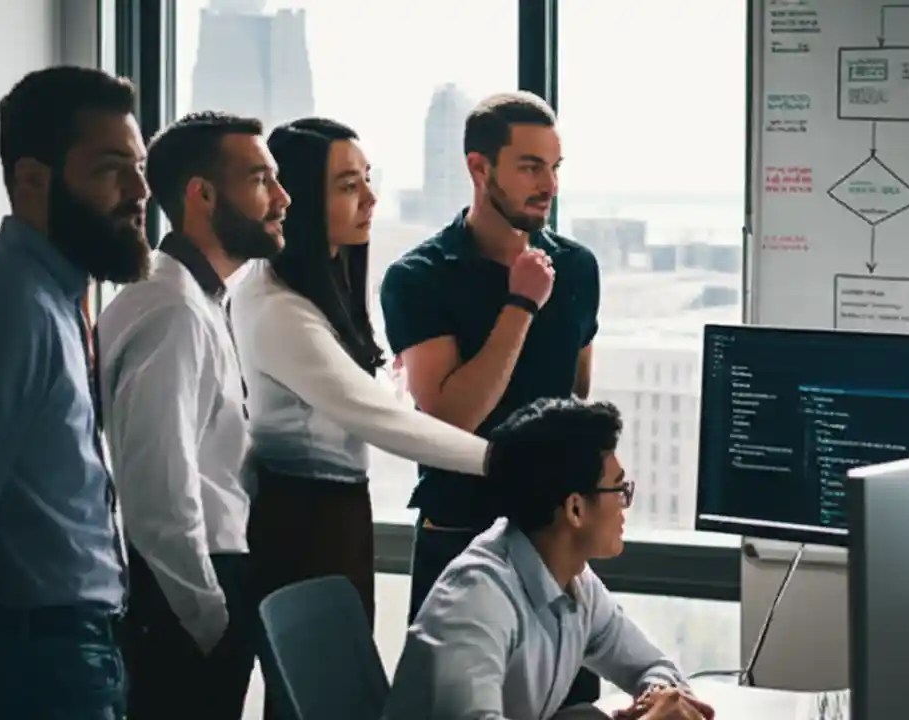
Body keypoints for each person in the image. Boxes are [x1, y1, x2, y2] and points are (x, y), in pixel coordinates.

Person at [0, 66, 149, 719]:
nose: (139, 191)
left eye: (138, 167)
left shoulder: (55, 296)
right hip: (28, 666)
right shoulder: (10, 308)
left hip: (58, 653)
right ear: (33, 180)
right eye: (111, 169)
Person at [379, 90, 603, 703]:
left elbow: (576, 392)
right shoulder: (419, 277)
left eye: (554, 167)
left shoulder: (577, 267)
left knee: (569, 707)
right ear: (479, 168)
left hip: (552, 535)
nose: (548, 184)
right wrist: (521, 303)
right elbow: (450, 418)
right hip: (460, 531)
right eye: (530, 167)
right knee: (455, 706)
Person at [228, 117, 490, 633]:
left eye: (368, 178)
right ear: (300, 197)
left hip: (335, 509)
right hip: (302, 517)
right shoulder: (277, 304)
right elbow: (378, 420)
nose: (371, 199)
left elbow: (362, 398)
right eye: (349, 186)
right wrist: (504, 461)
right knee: (321, 677)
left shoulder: (326, 281)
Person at [96, 111, 289, 718]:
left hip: (190, 583)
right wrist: (208, 617)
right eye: (260, 179)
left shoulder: (192, 298)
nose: (281, 198)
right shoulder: (174, 309)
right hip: (183, 592)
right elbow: (158, 486)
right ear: (202, 195)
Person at [382, 398, 713, 720]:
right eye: (618, 489)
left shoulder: (575, 581)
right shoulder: (474, 601)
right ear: (575, 509)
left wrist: (655, 698)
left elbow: (653, 667)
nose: (625, 504)